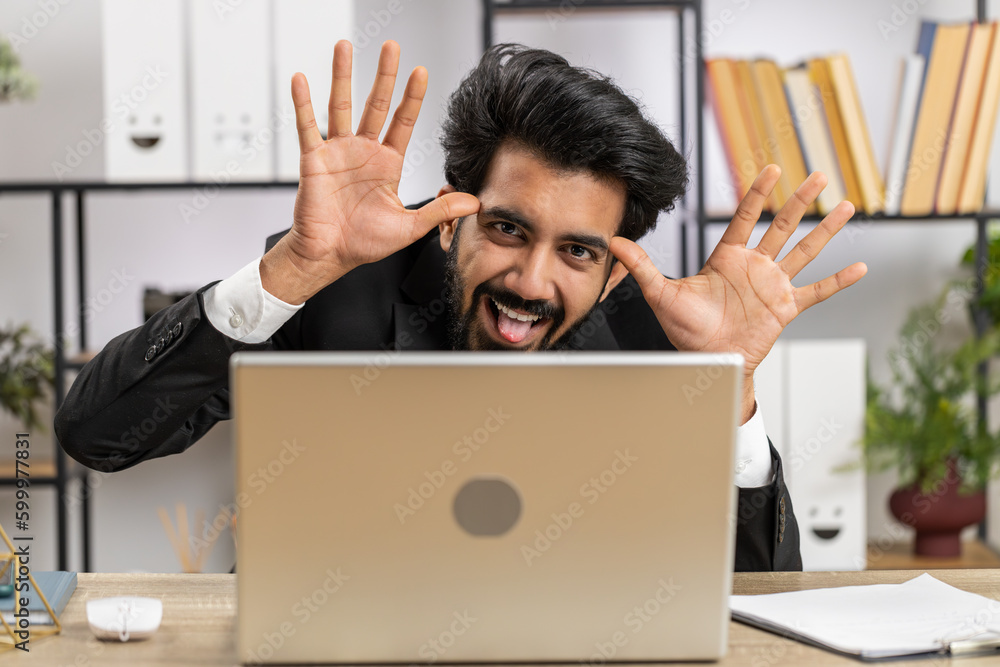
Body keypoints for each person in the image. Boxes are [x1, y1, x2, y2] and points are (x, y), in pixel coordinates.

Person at [54, 40, 866, 572]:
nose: (532, 281)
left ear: (616, 271)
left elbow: (764, 598)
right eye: (508, 228)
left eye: (578, 250)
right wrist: (286, 273)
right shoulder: (333, 282)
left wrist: (734, 392)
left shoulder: (658, 333)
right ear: (452, 216)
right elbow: (94, 435)